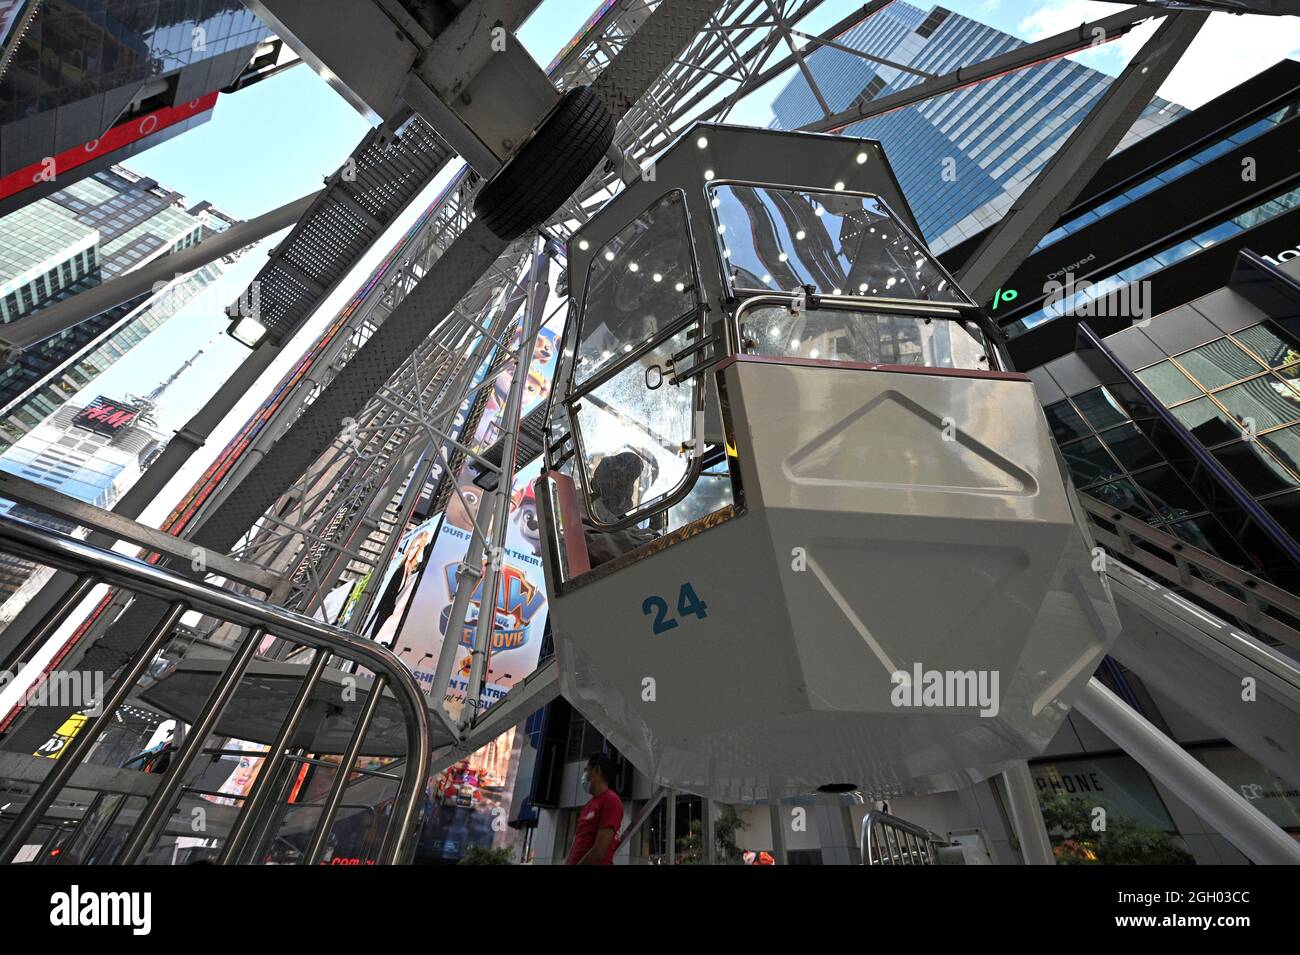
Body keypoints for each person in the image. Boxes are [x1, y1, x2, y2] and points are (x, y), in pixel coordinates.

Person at [584, 449, 658, 566]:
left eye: (630, 480)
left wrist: (654, 537)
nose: (628, 487)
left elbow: (639, 534)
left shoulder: (618, 516)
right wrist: (638, 542)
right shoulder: (585, 506)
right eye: (624, 478)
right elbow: (591, 546)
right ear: (609, 477)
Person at [565, 752, 624, 865]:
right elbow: (576, 844)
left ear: (597, 770)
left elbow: (599, 851)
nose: (584, 776)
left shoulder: (611, 800)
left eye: (586, 770)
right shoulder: (588, 806)